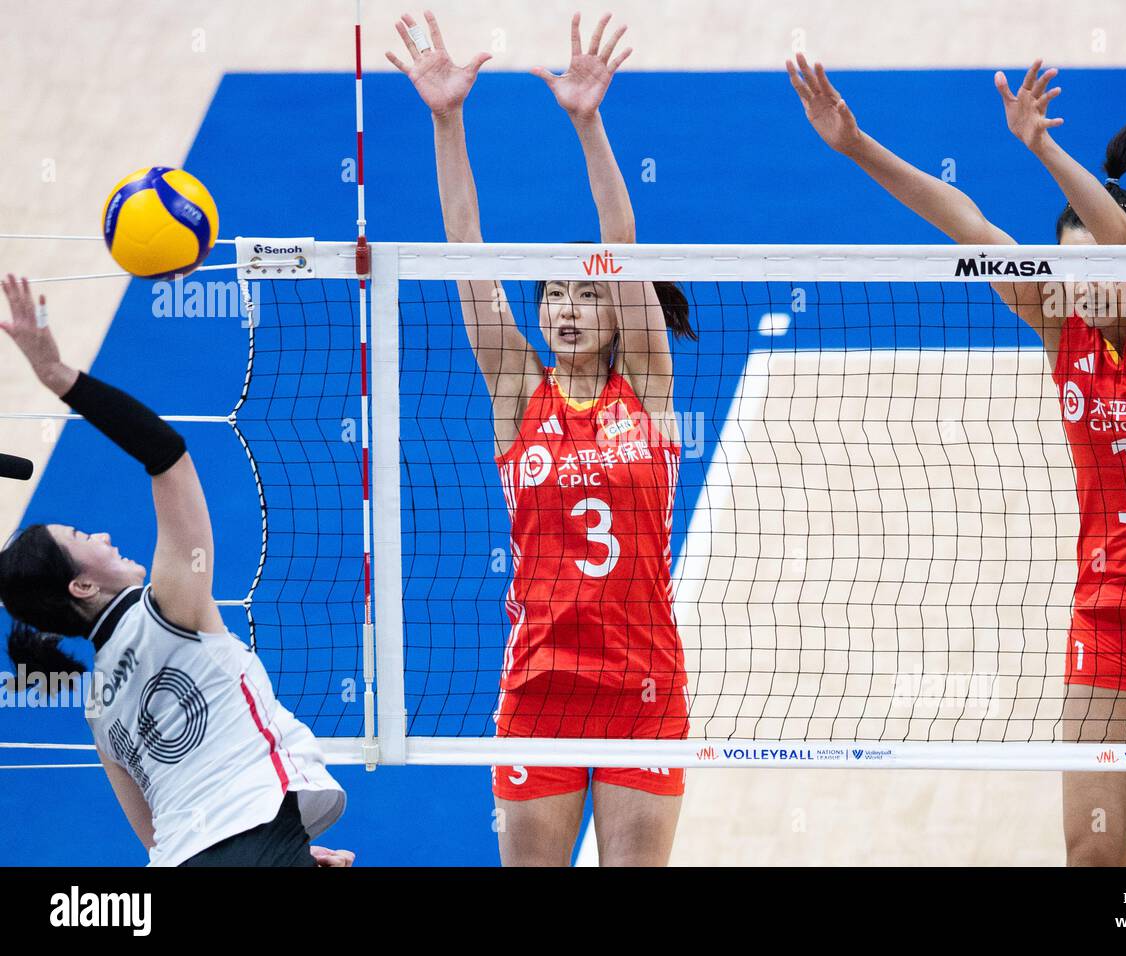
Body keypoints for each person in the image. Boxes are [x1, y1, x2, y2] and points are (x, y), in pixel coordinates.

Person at [788, 56, 1126, 866]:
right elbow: (968, 227)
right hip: (1112, 621)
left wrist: (1043, 148)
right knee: (1090, 855)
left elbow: (1119, 240)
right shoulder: (1062, 332)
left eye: (1095, 265)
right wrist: (855, 145)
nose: (1082, 284)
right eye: (1066, 270)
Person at [387, 10, 695, 866]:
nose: (565, 306)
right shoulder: (519, 391)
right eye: (554, 293)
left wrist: (587, 124)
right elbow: (465, 253)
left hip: (643, 687)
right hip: (541, 688)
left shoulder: (651, 391)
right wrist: (447, 121)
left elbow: (621, 246)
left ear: (614, 311)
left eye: (585, 294)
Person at [0, 274, 354, 867]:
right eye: (83, 538)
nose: (103, 535)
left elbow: (158, 836)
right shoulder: (169, 606)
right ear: (81, 586)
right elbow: (166, 453)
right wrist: (60, 377)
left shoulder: (99, 707)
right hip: (256, 842)